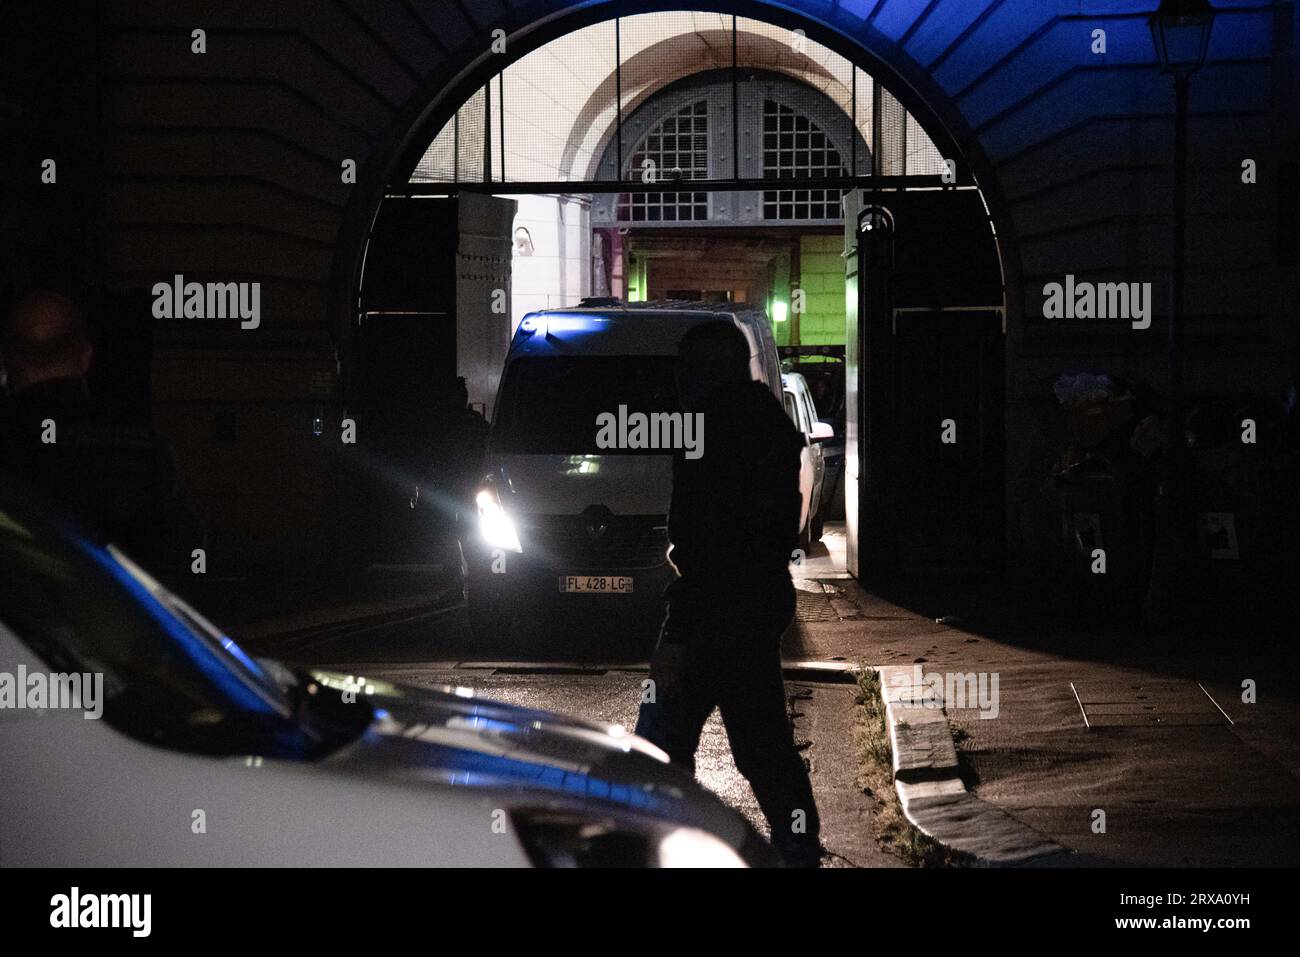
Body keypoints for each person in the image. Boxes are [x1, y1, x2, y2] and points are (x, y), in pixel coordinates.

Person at [635, 320, 822, 867]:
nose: (678, 380)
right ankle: (799, 850)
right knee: (765, 751)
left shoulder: (710, 433)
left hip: (712, 618)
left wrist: (677, 635)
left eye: (685, 368)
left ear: (704, 373)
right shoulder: (770, 428)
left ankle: (656, 850)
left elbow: (708, 549)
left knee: (657, 753)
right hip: (756, 609)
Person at [0, 290, 202, 573]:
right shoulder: (142, 446)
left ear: (5, 361)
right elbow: (183, 550)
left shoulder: (11, 446)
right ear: (85, 355)